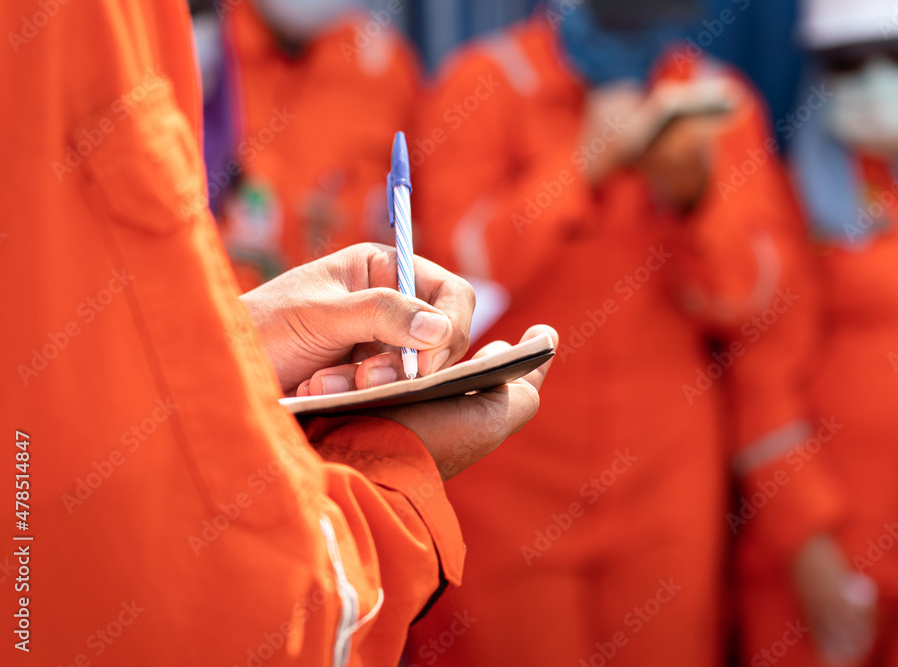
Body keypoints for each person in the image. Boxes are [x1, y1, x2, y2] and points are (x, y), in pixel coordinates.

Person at [0, 1, 556, 664]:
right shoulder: (118, 35)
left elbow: (85, 364)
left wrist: (238, 346)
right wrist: (398, 468)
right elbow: (257, 616)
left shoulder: (378, 70)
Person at [406, 1, 830, 665]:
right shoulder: (483, 84)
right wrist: (583, 165)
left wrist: (696, 197)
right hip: (508, 473)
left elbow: (754, 300)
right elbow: (451, 280)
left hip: (665, 482)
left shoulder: (716, 103)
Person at [736, 0, 898, 665]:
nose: (880, 80)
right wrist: (806, 541)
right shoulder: (790, 206)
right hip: (830, 541)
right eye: (852, 64)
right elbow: (764, 382)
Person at [200, 0, 422, 289]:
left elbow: (425, 224)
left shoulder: (385, 66)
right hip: (233, 314)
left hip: (357, 320)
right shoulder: (204, 53)